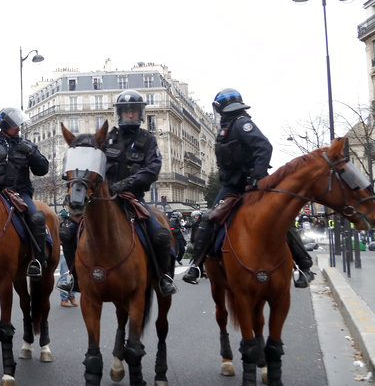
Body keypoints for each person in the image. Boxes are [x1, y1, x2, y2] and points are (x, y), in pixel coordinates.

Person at [183, 88, 315, 288]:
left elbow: (264, 147)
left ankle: (303, 266)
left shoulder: (242, 123)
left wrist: (258, 177)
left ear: (220, 109)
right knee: (209, 218)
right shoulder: (225, 128)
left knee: (280, 218)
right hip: (231, 186)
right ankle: (197, 264)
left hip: (252, 185)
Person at [98, 89, 177, 295]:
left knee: (161, 235)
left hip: (134, 199)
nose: (130, 115)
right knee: (71, 230)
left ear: (139, 113)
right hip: (106, 199)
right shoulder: (108, 138)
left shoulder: (147, 139)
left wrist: (125, 184)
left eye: (133, 111)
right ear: (120, 113)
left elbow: (152, 169)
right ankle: (72, 275)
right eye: (126, 111)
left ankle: (163, 277)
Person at [0, 107, 50, 278]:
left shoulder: (27, 145)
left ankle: (37, 260)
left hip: (20, 193)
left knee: (37, 218)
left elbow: (42, 169)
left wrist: (32, 152)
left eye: (19, 125)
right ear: (5, 125)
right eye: (15, 125)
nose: (19, 128)